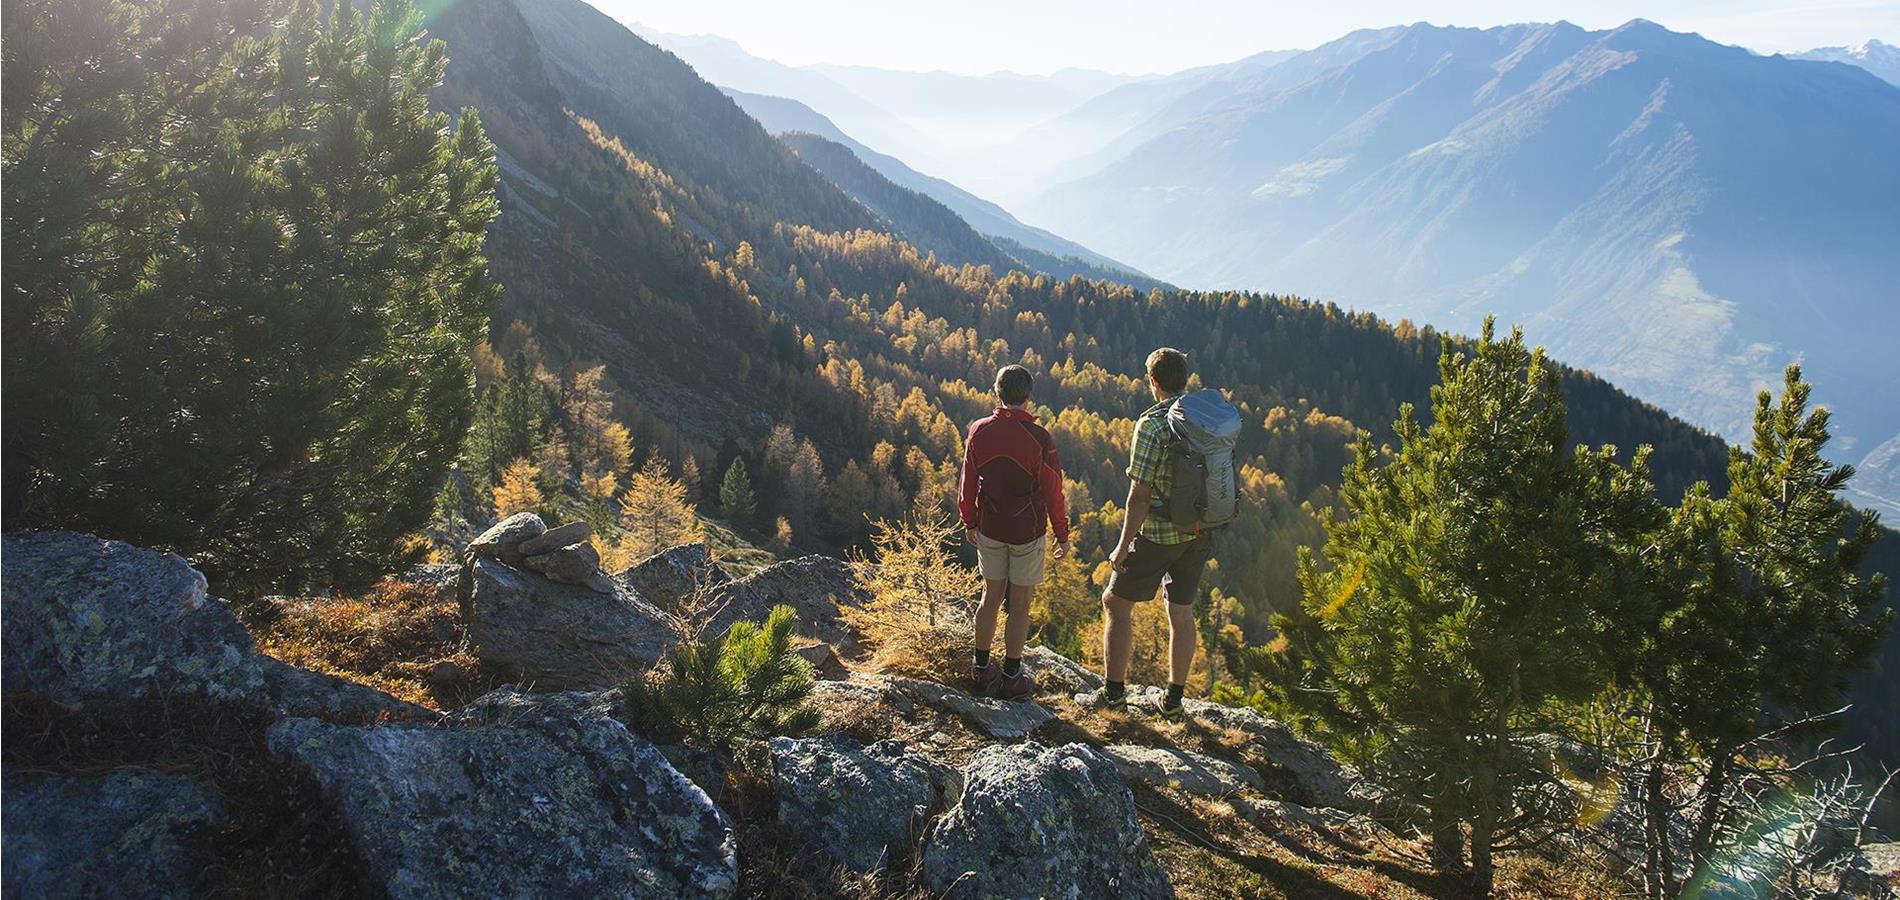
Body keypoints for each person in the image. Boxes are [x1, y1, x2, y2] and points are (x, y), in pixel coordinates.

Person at [1081, 348, 1211, 718]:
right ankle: (1173, 702)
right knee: (1182, 612)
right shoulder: (1205, 416)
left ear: (1153, 382)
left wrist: (1122, 547)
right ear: (1183, 379)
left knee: (1115, 603)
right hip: (1200, 531)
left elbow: (1139, 495)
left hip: (1158, 534)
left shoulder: (1152, 425)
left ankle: (1114, 696)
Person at [958, 364, 1070, 700]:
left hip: (990, 527)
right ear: (1029, 395)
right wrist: (1062, 534)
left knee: (990, 598)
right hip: (1028, 531)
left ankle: (979, 669)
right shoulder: (1040, 438)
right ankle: (1011, 675)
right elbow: (1054, 492)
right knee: (1020, 606)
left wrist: (970, 520)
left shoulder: (979, 430)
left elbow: (967, 481)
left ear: (997, 391)